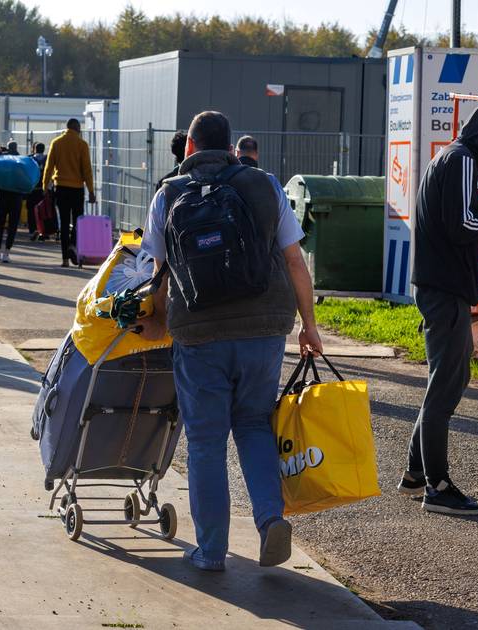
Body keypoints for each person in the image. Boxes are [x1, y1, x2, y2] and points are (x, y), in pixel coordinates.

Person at [136, 111, 322, 572]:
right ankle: (269, 519)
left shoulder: (168, 193)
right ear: (232, 145)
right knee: (256, 425)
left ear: (190, 148)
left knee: (204, 440)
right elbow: (295, 261)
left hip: (199, 334)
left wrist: (158, 322)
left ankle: (212, 550)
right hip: (264, 329)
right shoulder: (265, 185)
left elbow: (154, 272)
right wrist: (309, 325)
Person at [401, 102, 478, 515]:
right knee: (447, 385)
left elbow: (457, 220)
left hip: (438, 287)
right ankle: (437, 485)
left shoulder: (449, 158)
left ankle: (418, 473)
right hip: (445, 288)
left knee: (447, 379)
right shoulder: (464, 161)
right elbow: (463, 225)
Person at [42, 118, 96, 267]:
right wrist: (91, 190)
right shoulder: (82, 145)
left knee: (64, 223)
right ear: (77, 128)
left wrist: (44, 186)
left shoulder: (56, 143)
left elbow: (48, 167)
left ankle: (65, 259)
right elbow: (87, 170)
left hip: (61, 188)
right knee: (78, 221)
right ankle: (75, 250)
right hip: (77, 189)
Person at [27, 142, 48, 240]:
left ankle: (32, 230)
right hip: (43, 189)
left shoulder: (30, 159)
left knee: (31, 210)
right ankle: (44, 231)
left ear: (35, 149)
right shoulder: (47, 159)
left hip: (32, 188)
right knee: (44, 210)